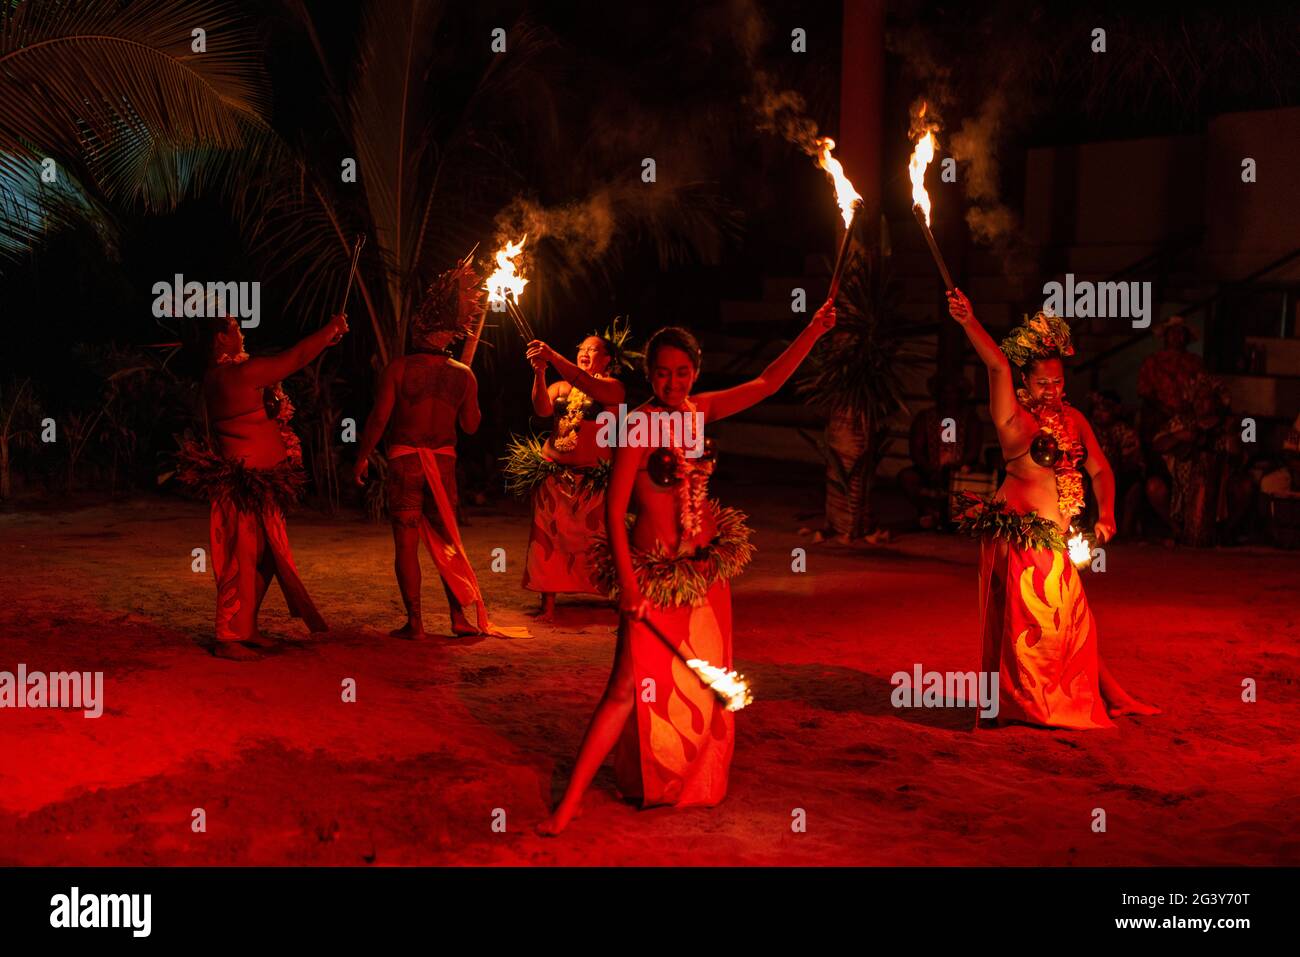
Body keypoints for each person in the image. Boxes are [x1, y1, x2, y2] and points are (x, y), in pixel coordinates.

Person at [538, 300, 836, 836]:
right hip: (652, 575)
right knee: (625, 688)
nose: (673, 382)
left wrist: (813, 329)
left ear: (695, 371)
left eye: (682, 372)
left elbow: (768, 382)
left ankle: (684, 780)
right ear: (649, 374)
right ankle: (568, 805)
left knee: (702, 684)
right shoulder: (640, 427)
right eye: (661, 373)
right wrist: (628, 586)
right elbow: (613, 509)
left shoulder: (700, 415)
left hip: (703, 575)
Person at [946, 289, 1159, 728]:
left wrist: (1107, 514)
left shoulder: (1075, 419)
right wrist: (968, 321)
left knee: (1077, 621)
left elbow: (1099, 470)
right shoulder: (1012, 419)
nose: (1051, 389)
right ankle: (1027, 704)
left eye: (1059, 382)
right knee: (1034, 626)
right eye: (1042, 382)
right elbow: (996, 364)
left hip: (1056, 537)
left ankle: (1109, 694)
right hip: (1019, 534)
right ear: (1024, 383)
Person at [353, 258, 521, 639]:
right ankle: (458, 619)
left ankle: (415, 623)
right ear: (448, 335)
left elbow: (379, 420)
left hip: (405, 460)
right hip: (442, 463)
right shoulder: (464, 375)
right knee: (447, 543)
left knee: (407, 541)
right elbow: (471, 426)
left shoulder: (399, 368)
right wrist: (466, 394)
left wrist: (362, 456)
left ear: (422, 330)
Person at [176, 311, 347, 660]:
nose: (242, 332)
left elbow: (292, 360)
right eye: (235, 328)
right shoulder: (235, 375)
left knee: (267, 558)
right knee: (242, 560)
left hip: (264, 484)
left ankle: (246, 627)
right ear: (220, 339)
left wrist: (325, 338)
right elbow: (294, 358)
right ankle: (228, 637)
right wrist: (327, 329)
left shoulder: (227, 375)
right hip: (244, 485)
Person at [504, 322, 634, 621]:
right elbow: (541, 410)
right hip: (555, 475)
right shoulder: (562, 386)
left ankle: (617, 597)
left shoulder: (613, 388)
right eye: (582, 349)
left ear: (609, 360)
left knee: (601, 540)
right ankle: (548, 605)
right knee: (549, 541)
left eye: (593, 350)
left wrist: (552, 354)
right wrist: (539, 372)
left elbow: (587, 384)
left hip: (593, 479)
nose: (585, 354)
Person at [897, 374, 983, 529]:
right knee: (907, 477)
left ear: (961, 395)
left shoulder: (971, 419)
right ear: (937, 394)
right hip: (929, 472)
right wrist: (930, 468)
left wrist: (956, 469)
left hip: (961, 473)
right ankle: (929, 513)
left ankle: (954, 517)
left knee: (981, 482)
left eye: (953, 392)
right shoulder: (924, 418)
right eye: (944, 392)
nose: (948, 396)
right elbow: (916, 449)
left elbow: (973, 450)